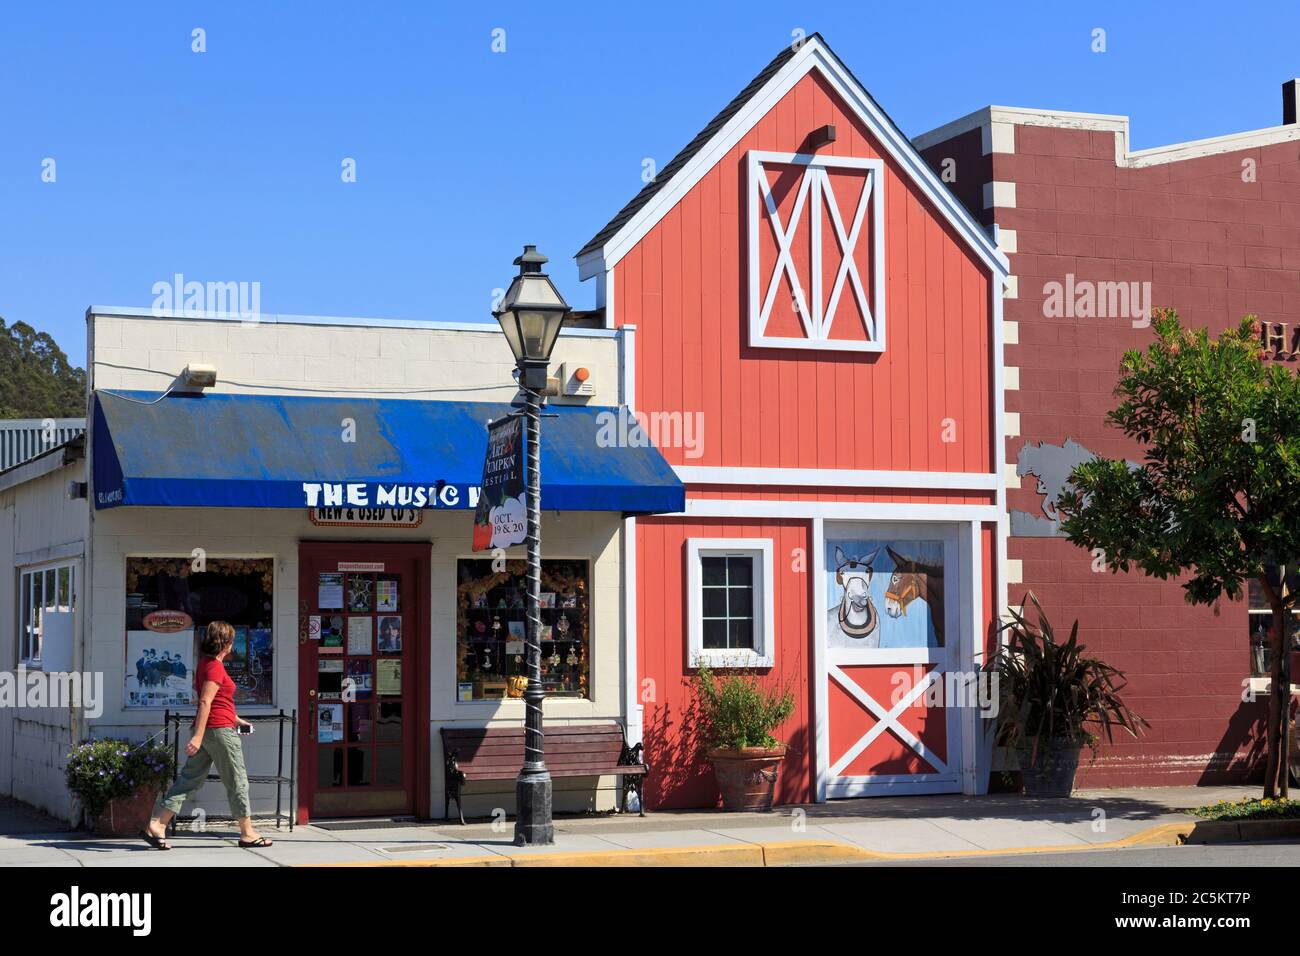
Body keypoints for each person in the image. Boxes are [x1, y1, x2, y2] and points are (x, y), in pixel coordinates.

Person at [141, 621, 272, 850]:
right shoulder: (215, 667)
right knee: (237, 780)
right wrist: (198, 737)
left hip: (214, 727)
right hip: (218, 732)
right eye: (231, 639)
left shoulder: (205, 664)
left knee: (189, 780)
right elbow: (205, 701)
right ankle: (247, 833)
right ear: (226, 643)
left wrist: (236, 719)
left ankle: (158, 823)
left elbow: (218, 701)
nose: (232, 644)